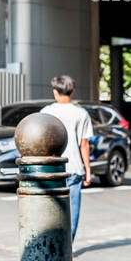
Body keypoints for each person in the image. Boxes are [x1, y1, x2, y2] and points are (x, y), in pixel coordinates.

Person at [41, 74, 94, 241]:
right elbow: (84, 144)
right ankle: (67, 244)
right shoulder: (81, 114)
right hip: (74, 168)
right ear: (72, 92)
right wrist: (88, 169)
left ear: (55, 92)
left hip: (52, 167)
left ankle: (52, 242)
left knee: (50, 207)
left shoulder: (46, 112)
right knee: (72, 208)